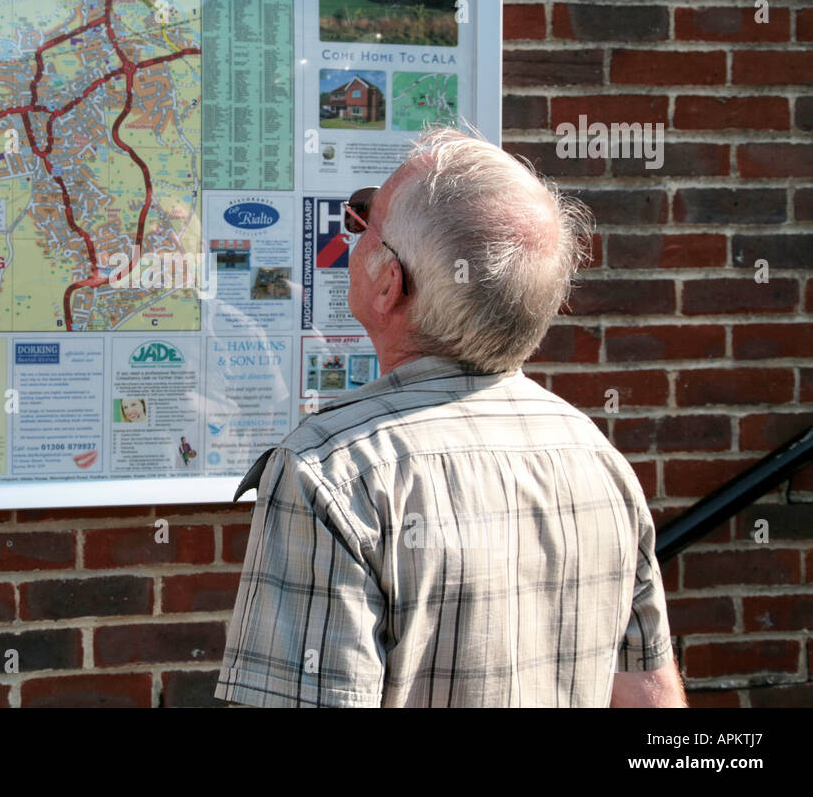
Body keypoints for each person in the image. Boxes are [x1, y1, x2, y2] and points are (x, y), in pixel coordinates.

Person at [216, 127, 684, 708]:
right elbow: (650, 702)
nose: (353, 232)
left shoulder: (329, 473)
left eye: (365, 219)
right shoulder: (596, 457)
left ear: (389, 284)